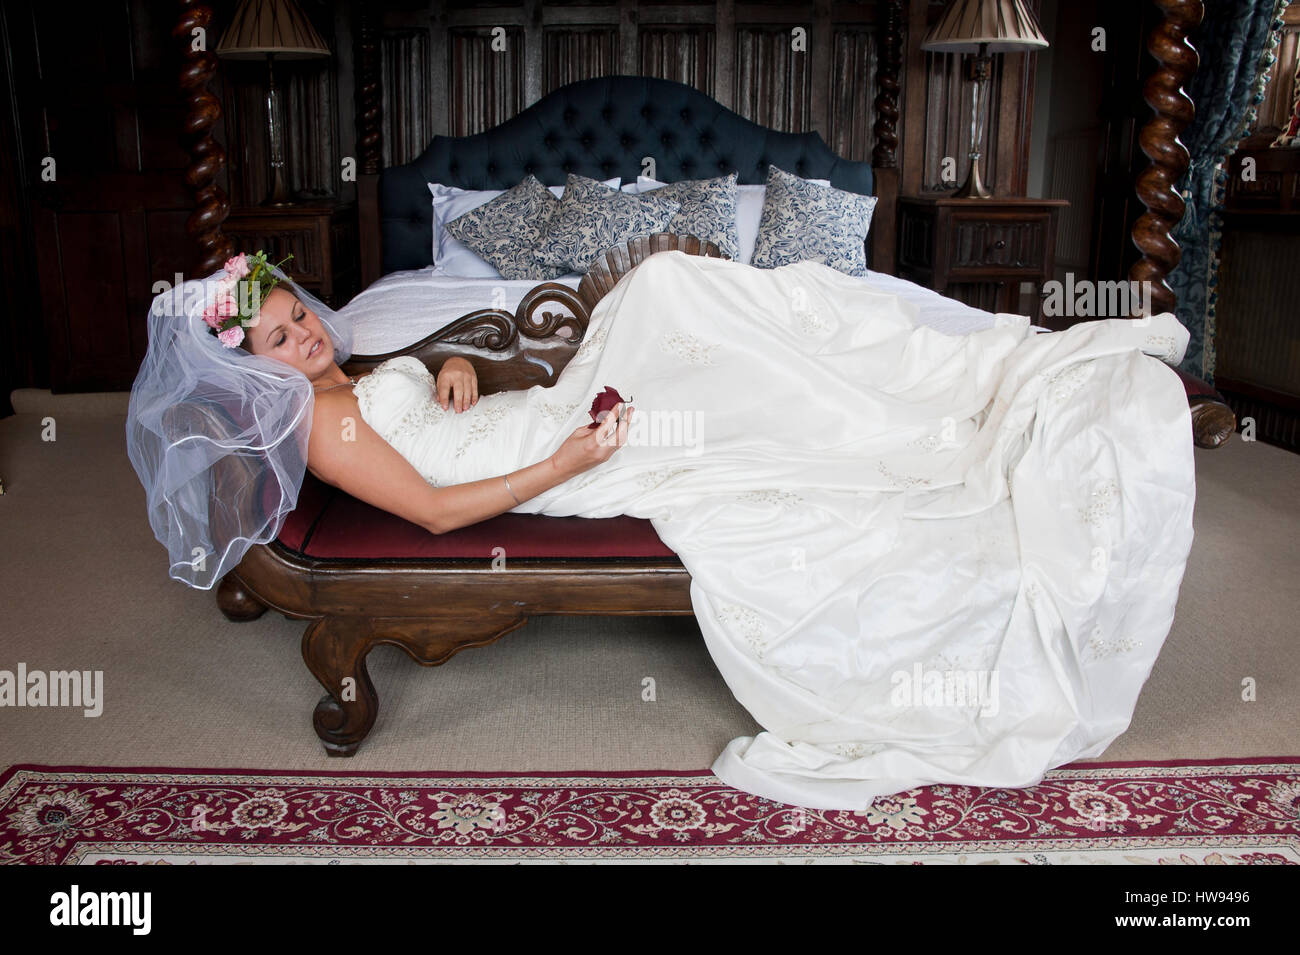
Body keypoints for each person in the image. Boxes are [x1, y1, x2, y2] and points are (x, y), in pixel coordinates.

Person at [128, 247, 1197, 811]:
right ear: (246, 362)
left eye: (300, 315)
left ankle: (938, 391)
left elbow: (394, 390)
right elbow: (441, 509)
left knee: (672, 290)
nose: (308, 333)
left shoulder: (331, 382)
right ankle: (937, 407)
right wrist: (571, 458)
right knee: (681, 309)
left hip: (525, 420)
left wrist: (445, 362)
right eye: (279, 336)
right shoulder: (316, 420)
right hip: (539, 465)